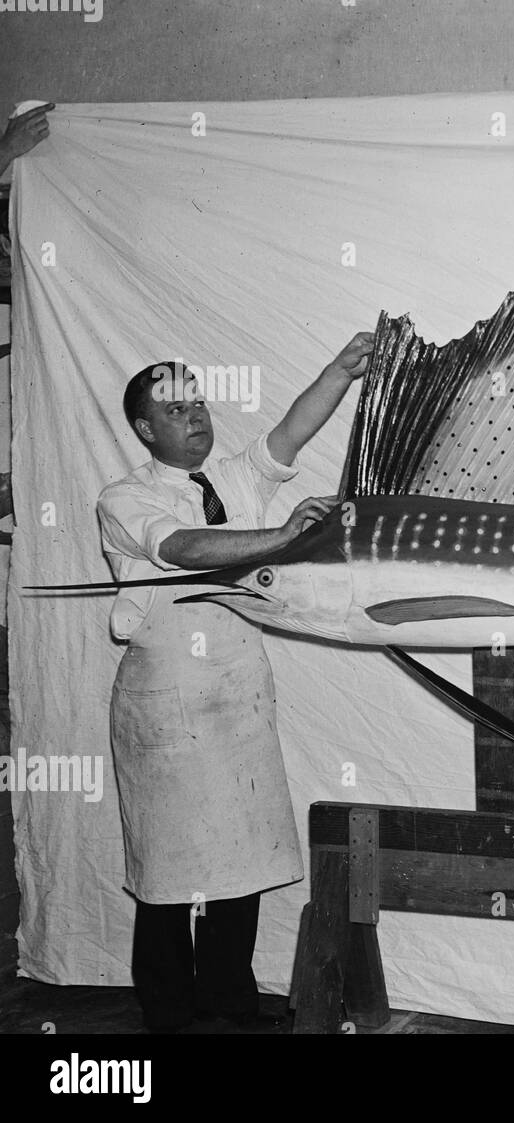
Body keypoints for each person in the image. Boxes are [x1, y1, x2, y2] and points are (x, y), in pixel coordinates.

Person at [96, 336, 372, 1032]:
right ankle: (168, 1015)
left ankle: (230, 1005)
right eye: (176, 407)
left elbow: (289, 433)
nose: (194, 415)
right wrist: (279, 536)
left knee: (238, 861)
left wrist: (339, 368)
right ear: (144, 428)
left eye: (198, 401)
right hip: (165, 706)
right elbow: (182, 548)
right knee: (167, 870)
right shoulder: (123, 497)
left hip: (237, 695)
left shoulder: (235, 476)